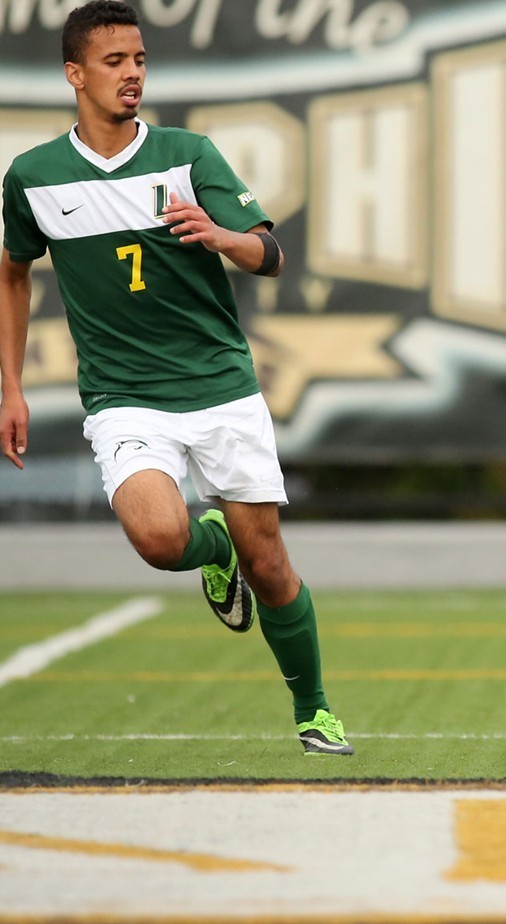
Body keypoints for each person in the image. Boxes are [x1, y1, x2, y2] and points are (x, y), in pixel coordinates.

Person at [0, 1, 352, 756]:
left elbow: (271, 252)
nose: (132, 74)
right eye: (115, 61)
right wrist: (11, 387)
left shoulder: (188, 154)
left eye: (140, 60)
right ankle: (209, 548)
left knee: (271, 563)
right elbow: (11, 273)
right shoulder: (32, 178)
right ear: (74, 74)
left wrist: (224, 235)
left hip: (220, 386)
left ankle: (313, 706)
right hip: (124, 399)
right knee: (161, 538)